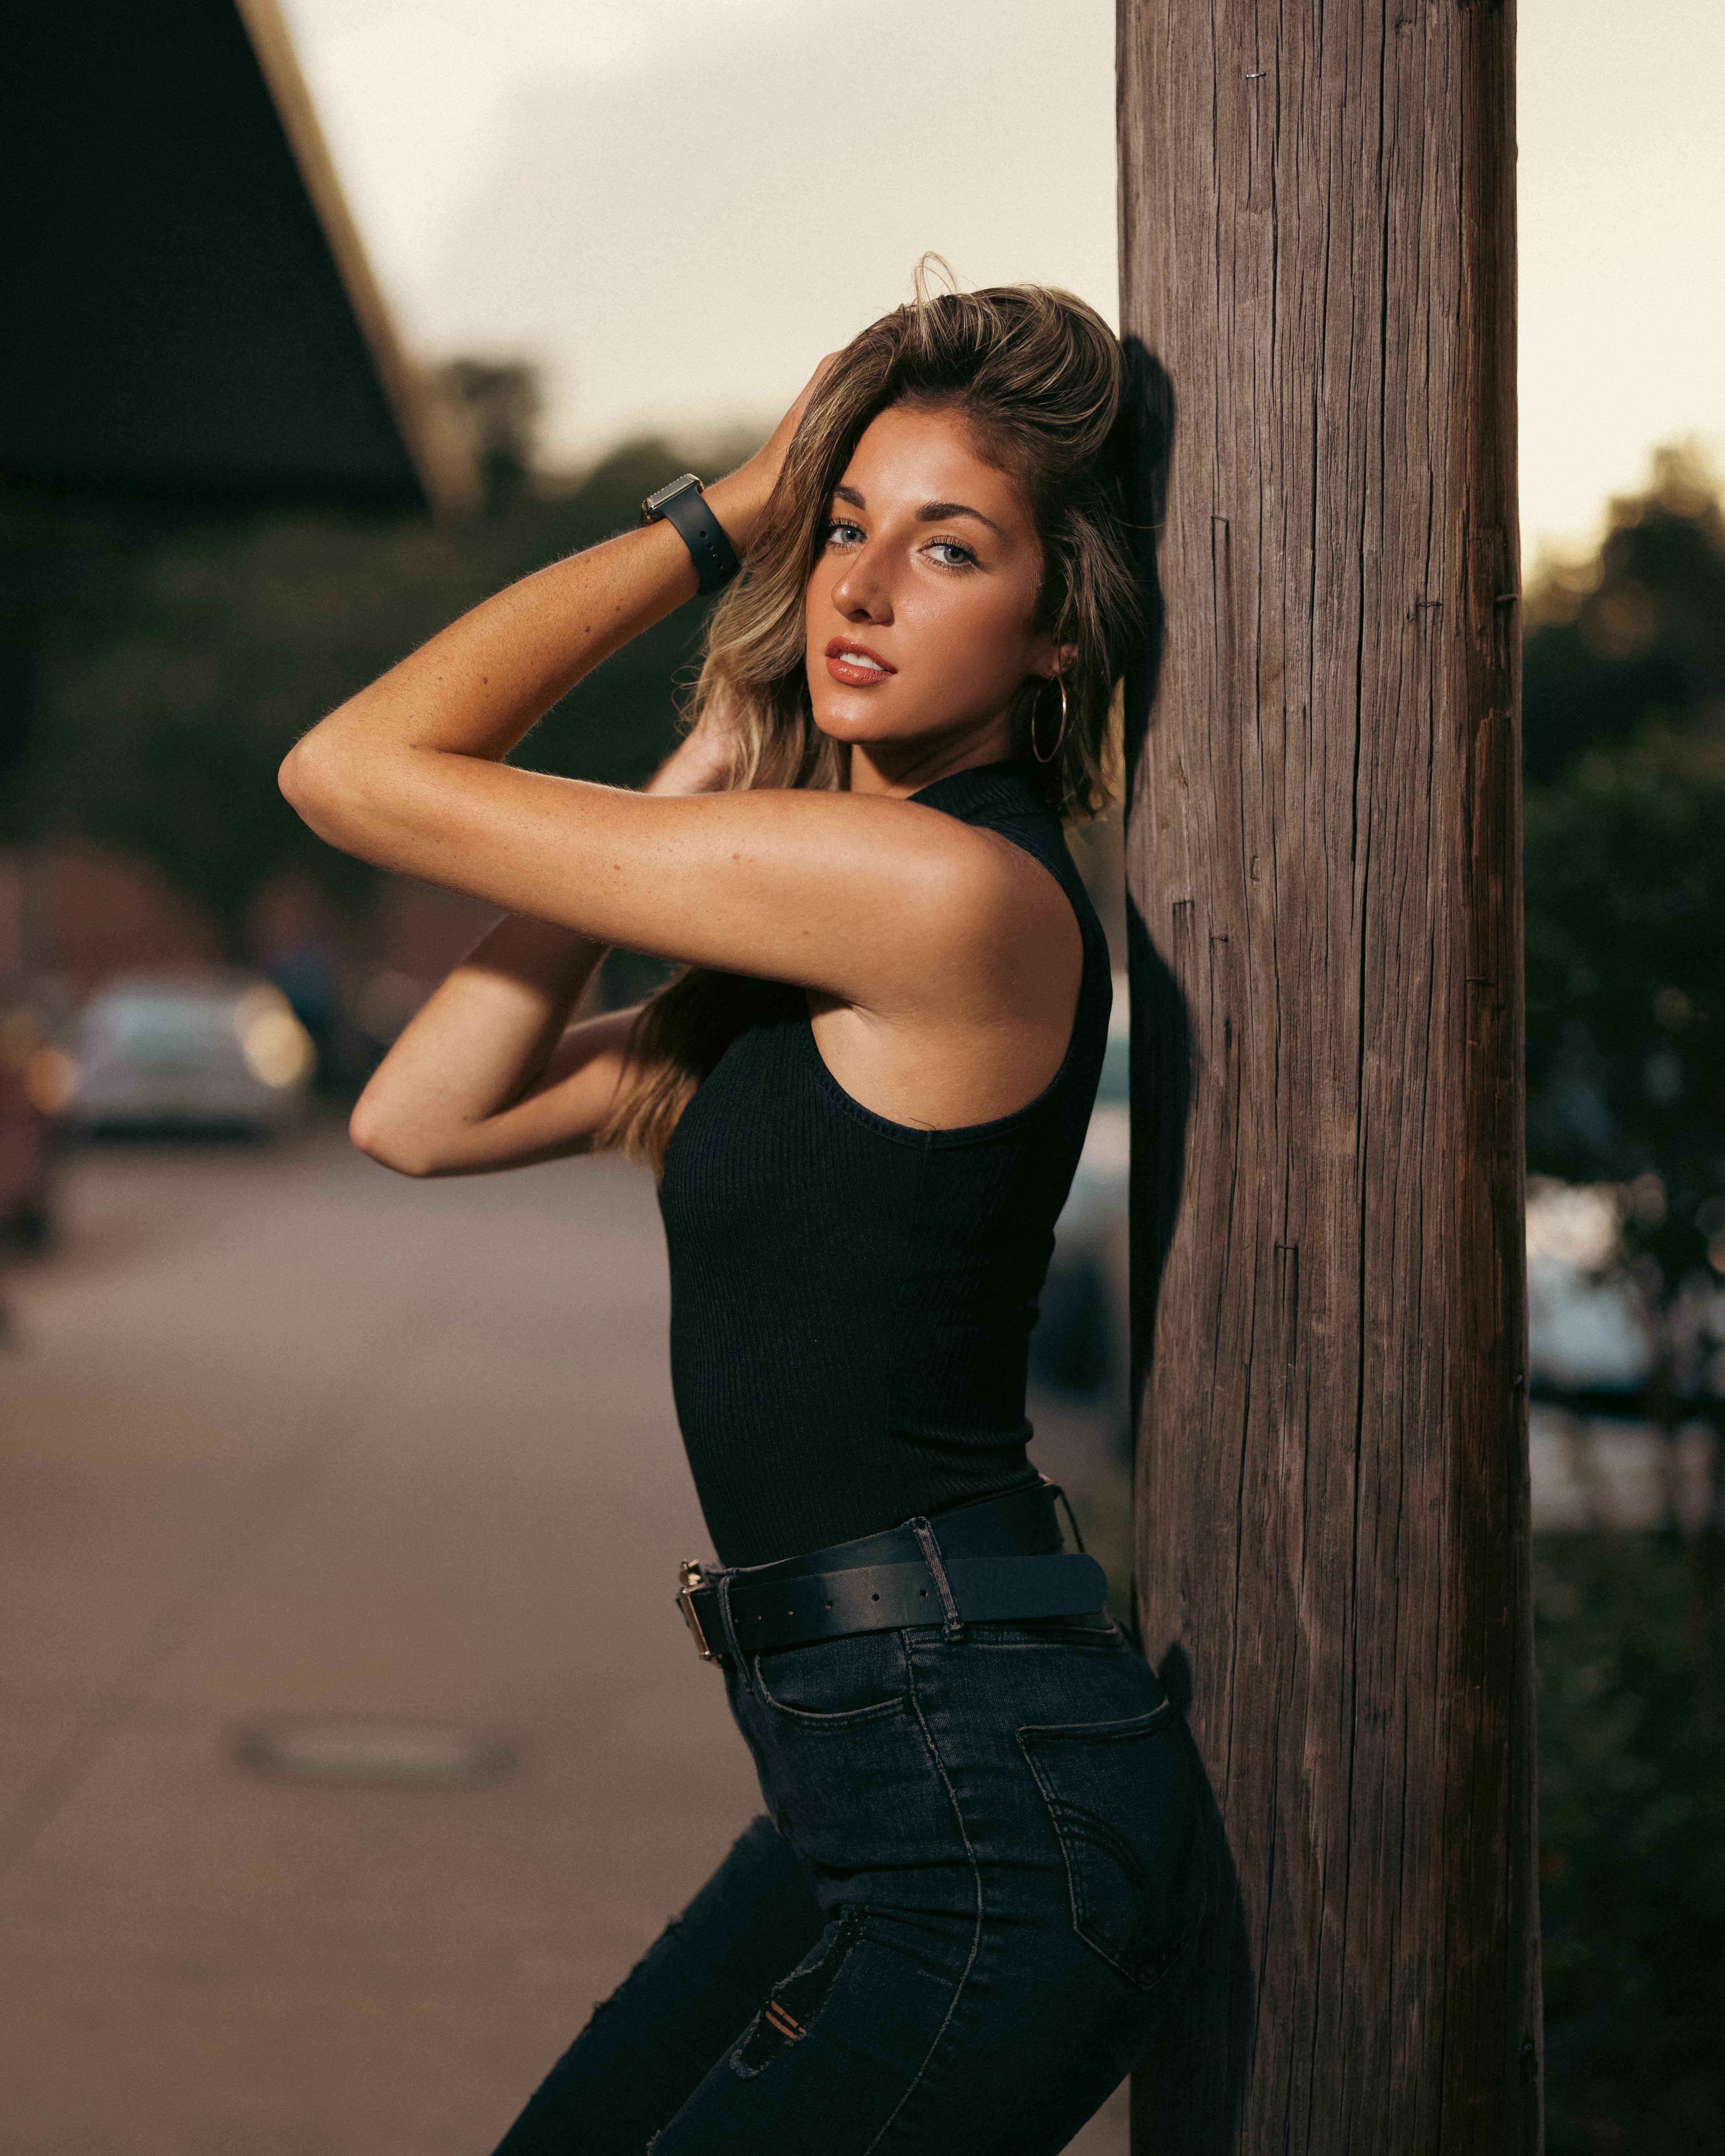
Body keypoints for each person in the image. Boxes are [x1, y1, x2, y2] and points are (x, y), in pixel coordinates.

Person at [280, 271, 1204, 2155]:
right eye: (839, 528)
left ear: (1051, 633)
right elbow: (418, 1116)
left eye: (944, 549)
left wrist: (725, 512)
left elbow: (346, 775)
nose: (854, 589)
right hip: (874, 1776)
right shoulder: (799, 963)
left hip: (988, 1813)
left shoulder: (947, 902)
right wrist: (676, 793)